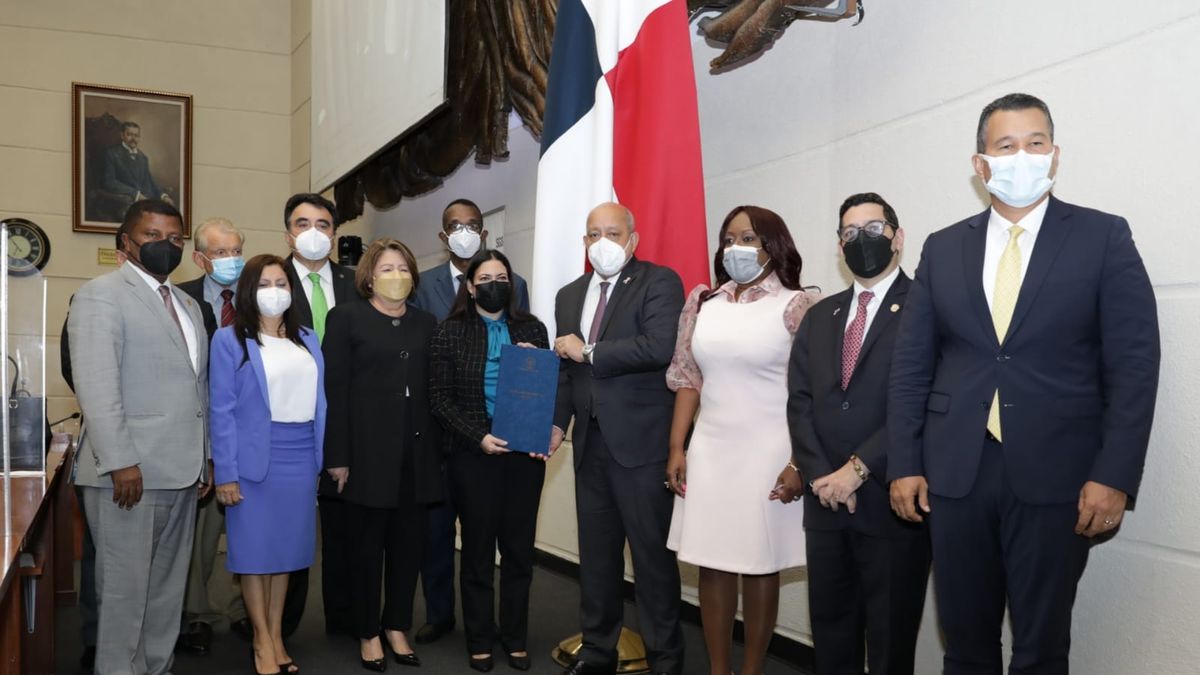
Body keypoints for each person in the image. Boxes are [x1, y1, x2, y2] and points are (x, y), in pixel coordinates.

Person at [888, 93, 1160, 674]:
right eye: (1005, 146)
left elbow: (1134, 367)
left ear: (1055, 156)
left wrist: (1113, 476)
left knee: (1040, 648)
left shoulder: (1103, 237)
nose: (1022, 157)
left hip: (1058, 474)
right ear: (980, 164)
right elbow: (912, 367)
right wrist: (904, 462)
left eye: (1035, 144)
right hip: (956, 472)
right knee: (965, 645)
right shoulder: (943, 248)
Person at [663, 205, 815, 675]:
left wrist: (799, 461)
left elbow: (810, 391)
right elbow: (688, 378)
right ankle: (718, 669)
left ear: (773, 245)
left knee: (759, 562)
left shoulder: (798, 303)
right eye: (730, 238)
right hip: (710, 448)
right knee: (713, 561)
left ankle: (751, 669)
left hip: (769, 449)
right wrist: (676, 447)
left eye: (749, 238)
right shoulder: (702, 303)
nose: (737, 248)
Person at [785, 193, 930, 675]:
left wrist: (858, 469)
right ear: (838, 245)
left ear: (898, 237)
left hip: (891, 501)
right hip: (825, 501)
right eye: (850, 232)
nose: (860, 240)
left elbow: (924, 402)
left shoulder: (927, 308)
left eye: (872, 229)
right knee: (830, 633)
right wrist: (822, 475)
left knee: (890, 643)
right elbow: (800, 402)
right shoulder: (819, 316)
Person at [68, 199, 210, 675]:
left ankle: (156, 668)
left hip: (181, 471)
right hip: (127, 476)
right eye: (152, 236)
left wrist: (205, 457)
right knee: (125, 597)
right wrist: (120, 461)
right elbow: (96, 385)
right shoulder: (100, 294)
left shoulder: (188, 304)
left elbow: (198, 389)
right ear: (125, 242)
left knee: (166, 592)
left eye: (174, 238)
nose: (165, 246)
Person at [552, 202, 686, 675]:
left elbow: (658, 347)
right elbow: (567, 375)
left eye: (612, 232)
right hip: (589, 446)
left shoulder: (659, 282)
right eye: (593, 234)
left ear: (633, 240)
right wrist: (555, 424)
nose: (602, 241)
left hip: (642, 447)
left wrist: (588, 351)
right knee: (597, 559)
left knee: (651, 561)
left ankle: (666, 658)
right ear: (584, 242)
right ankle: (597, 650)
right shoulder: (569, 295)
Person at [409, 198, 530, 647]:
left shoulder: (512, 282)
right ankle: (440, 614)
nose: (464, 231)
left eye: (472, 225)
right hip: (439, 424)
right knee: (438, 531)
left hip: (491, 435)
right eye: (454, 226)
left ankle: (498, 626)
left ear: (483, 231)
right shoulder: (422, 285)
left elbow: (521, 355)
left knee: (486, 537)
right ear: (443, 237)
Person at [322, 238, 443, 671]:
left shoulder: (427, 322)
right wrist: (337, 455)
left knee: (409, 548)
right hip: (365, 454)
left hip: (417, 454)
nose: (397, 276)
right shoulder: (346, 318)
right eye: (387, 269)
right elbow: (333, 391)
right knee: (366, 548)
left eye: (403, 268)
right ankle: (368, 631)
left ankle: (397, 626)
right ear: (369, 276)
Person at [429, 250, 551, 672]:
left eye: (502, 276)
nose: (494, 283)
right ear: (469, 286)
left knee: (518, 554)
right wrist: (477, 437)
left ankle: (514, 637)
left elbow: (547, 389)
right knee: (478, 553)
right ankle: (479, 638)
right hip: (472, 456)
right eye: (485, 277)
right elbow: (440, 399)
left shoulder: (532, 328)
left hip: (523, 457)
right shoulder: (449, 332)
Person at [209, 254, 326, 675]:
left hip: (301, 457)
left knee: (286, 557)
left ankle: (277, 635)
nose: (274, 291)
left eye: (281, 283)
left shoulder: (309, 338)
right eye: (264, 284)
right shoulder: (229, 340)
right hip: (253, 462)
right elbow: (221, 410)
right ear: (247, 291)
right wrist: (226, 472)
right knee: (255, 557)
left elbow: (320, 401)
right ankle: (260, 640)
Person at [281, 192, 358, 637]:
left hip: (346, 419)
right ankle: (282, 625)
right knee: (291, 528)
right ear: (288, 233)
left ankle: (345, 622)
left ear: (334, 233)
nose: (314, 232)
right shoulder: (271, 284)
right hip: (291, 422)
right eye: (303, 223)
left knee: (344, 526)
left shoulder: (355, 282)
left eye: (324, 224)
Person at [176, 216, 251, 653]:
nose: (230, 260)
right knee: (202, 533)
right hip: (201, 431)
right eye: (220, 253)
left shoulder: (264, 297)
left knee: (247, 526)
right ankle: (197, 614)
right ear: (200, 257)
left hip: (253, 432)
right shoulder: (181, 299)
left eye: (236, 250)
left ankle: (244, 609)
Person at [102, 121, 174, 205]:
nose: (133, 139)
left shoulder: (143, 158)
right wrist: (136, 194)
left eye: (136, 136)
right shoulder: (112, 154)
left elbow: (150, 182)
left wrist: (163, 196)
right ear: (122, 135)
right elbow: (109, 182)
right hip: (124, 202)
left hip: (146, 201)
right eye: (129, 135)